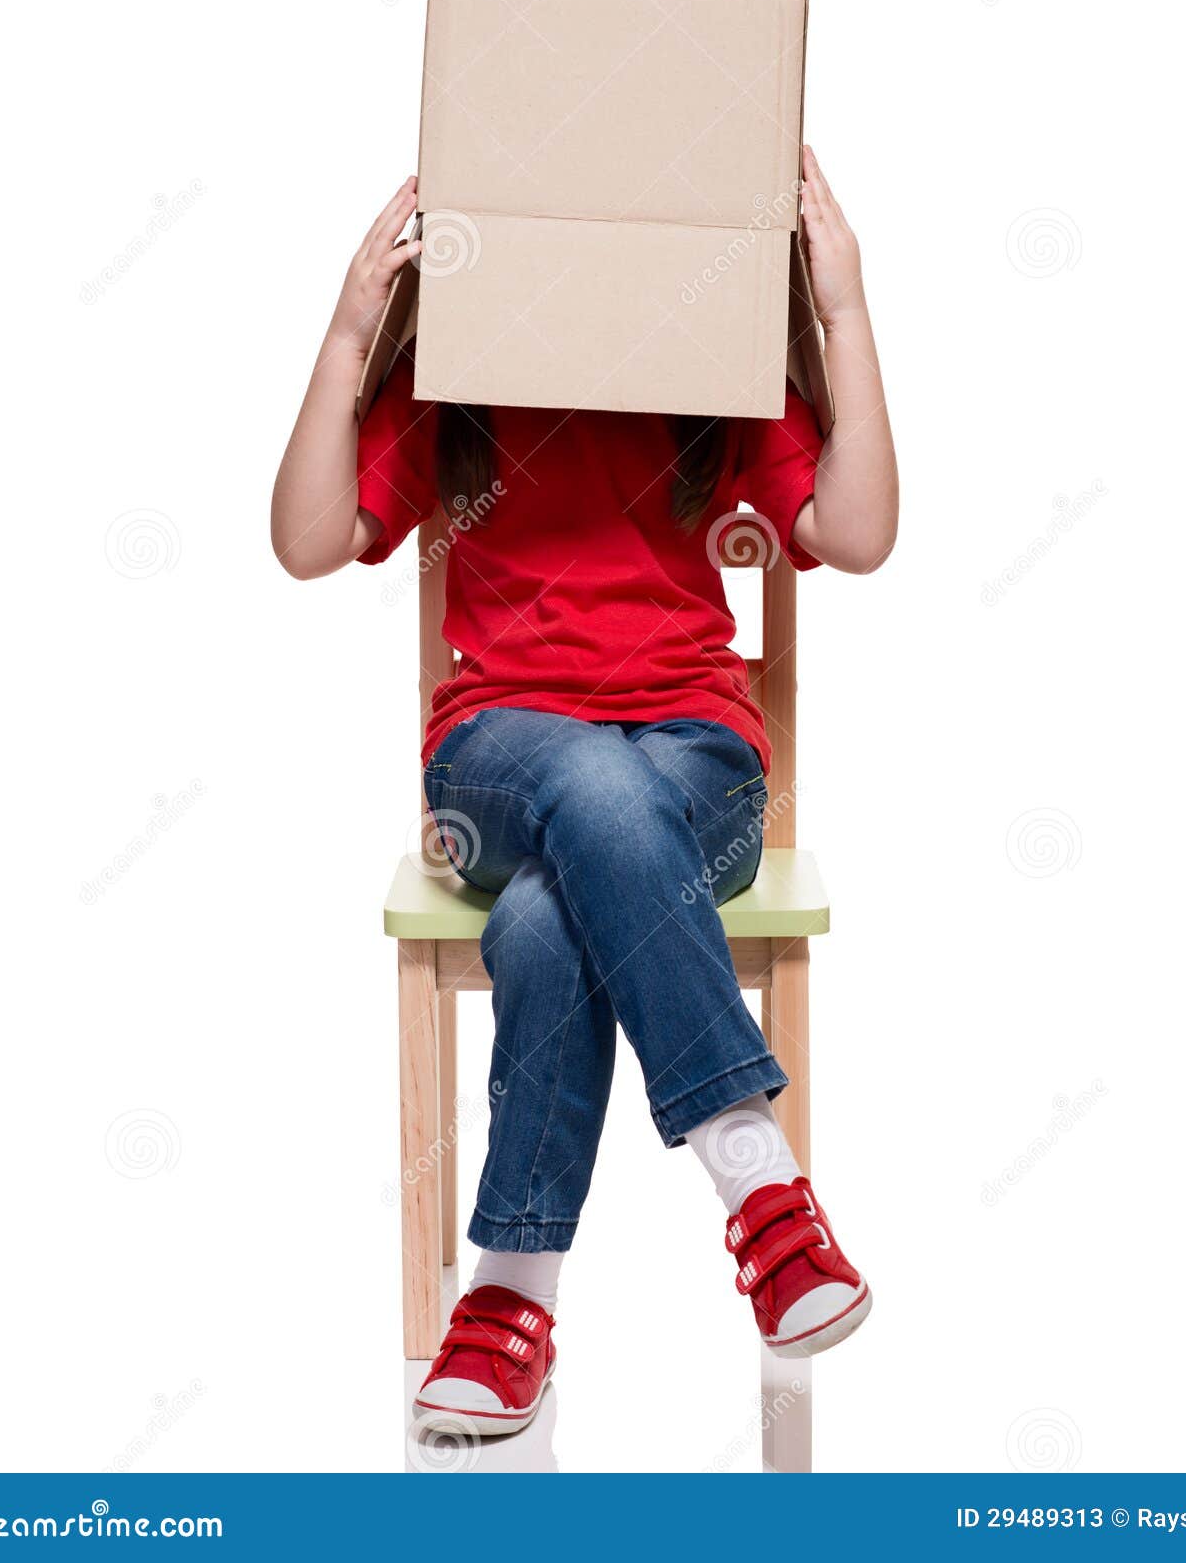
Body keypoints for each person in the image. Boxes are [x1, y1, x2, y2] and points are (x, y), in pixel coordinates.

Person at [272, 146, 898, 1436]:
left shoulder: (715, 374)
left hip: (696, 766)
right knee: (586, 784)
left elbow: (860, 534)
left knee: (556, 912)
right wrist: (349, 331)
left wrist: (841, 310)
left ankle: (508, 1301)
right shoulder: (456, 389)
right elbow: (305, 541)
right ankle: (756, 1178)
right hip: (497, 757)